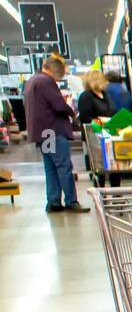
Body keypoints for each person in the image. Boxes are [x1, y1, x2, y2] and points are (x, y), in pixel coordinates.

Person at [22, 54, 88, 214]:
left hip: (43, 131)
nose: (59, 79)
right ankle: (71, 201)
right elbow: (58, 105)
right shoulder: (46, 81)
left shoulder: (32, 81)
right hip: (53, 130)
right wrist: (72, 113)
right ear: (54, 70)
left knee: (51, 167)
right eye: (60, 75)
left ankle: (53, 202)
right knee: (64, 166)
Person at [78, 70, 120, 189]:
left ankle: (116, 192)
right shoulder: (86, 96)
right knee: (99, 167)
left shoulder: (105, 94)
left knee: (114, 164)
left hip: (109, 134)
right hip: (94, 136)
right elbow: (85, 117)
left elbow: (113, 110)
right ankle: (100, 192)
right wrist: (101, 122)